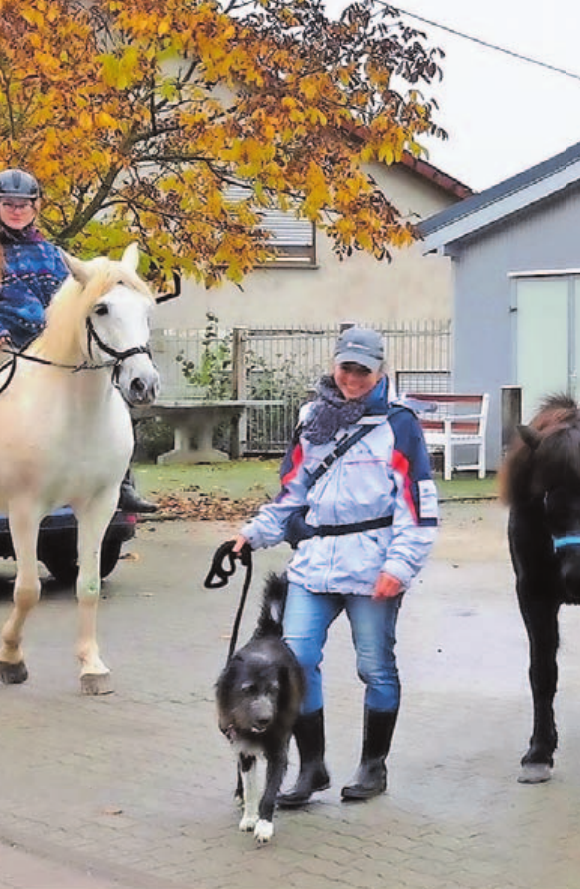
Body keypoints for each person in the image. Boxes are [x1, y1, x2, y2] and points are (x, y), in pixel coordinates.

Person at [228, 326, 439, 805]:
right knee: (296, 661)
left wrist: (399, 567)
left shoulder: (400, 424)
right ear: (334, 365)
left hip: (374, 564)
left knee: (375, 667)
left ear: (380, 371)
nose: (353, 378)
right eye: (347, 367)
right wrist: (251, 534)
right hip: (316, 561)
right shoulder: (312, 419)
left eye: (364, 370)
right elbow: (292, 492)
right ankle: (313, 767)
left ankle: (373, 766)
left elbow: (418, 507)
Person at [0, 168, 157, 515]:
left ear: (35, 207)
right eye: (9, 204)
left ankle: (122, 479)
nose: (17, 211)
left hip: (49, 346)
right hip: (0, 342)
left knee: (104, 385)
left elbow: (73, 302)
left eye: (23, 204)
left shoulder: (52, 253)